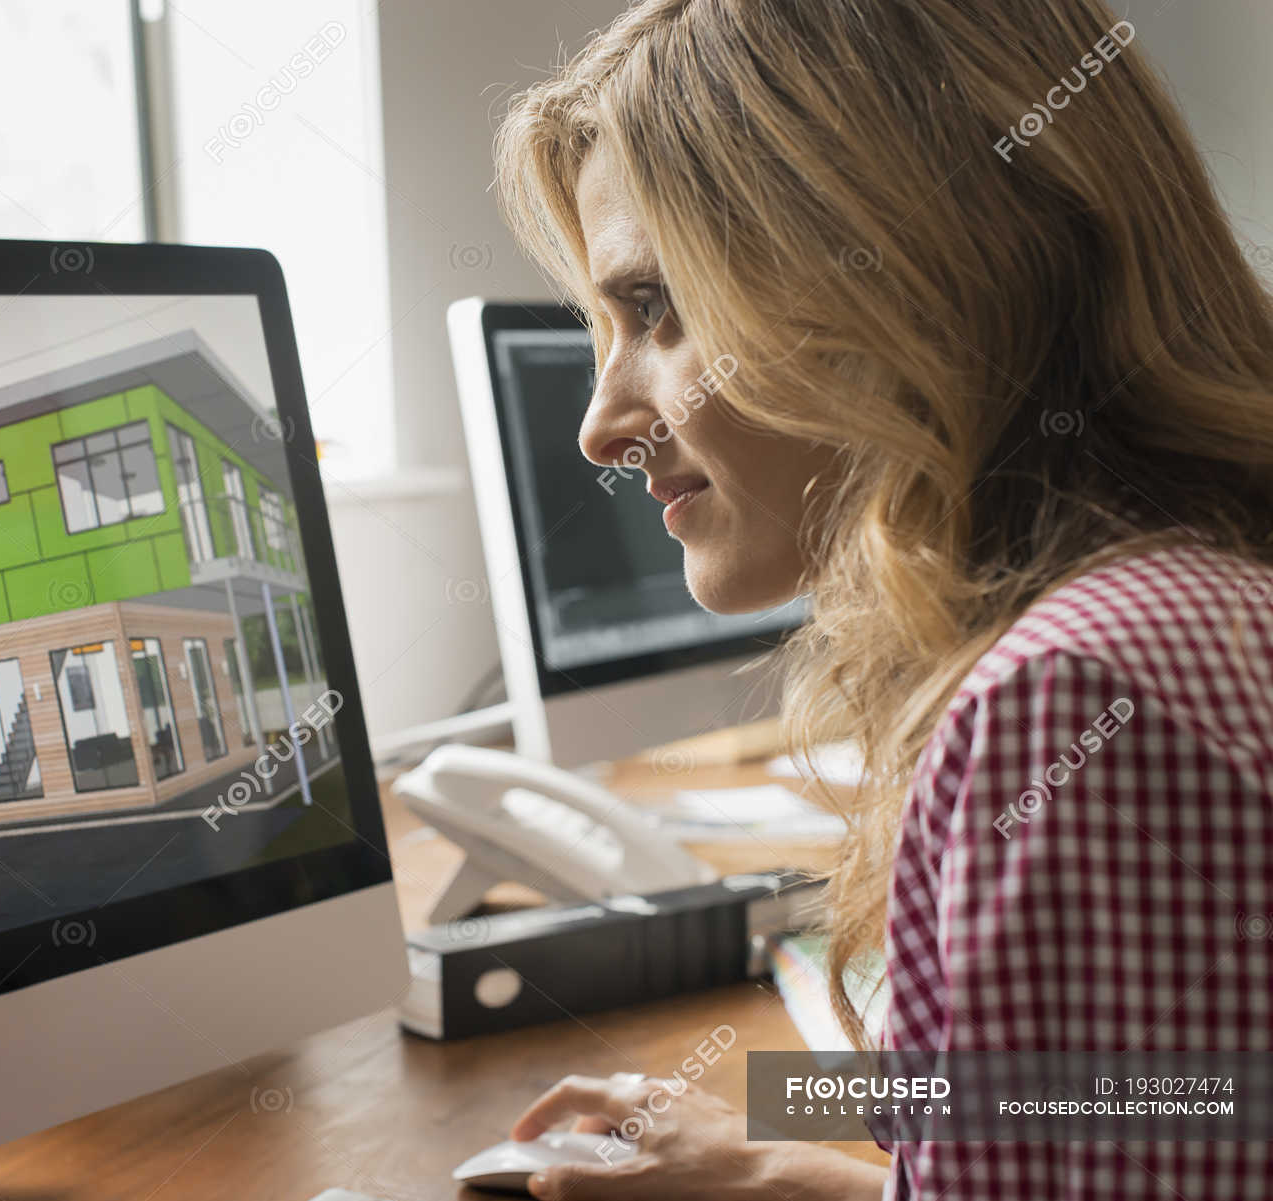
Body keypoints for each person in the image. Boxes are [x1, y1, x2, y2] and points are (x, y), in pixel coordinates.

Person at [492, 0, 1273, 1197]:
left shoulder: (1072, 697)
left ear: (898, 271)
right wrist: (771, 1169)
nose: (601, 424)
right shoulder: (1187, 601)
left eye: (656, 307)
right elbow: (1172, 1101)